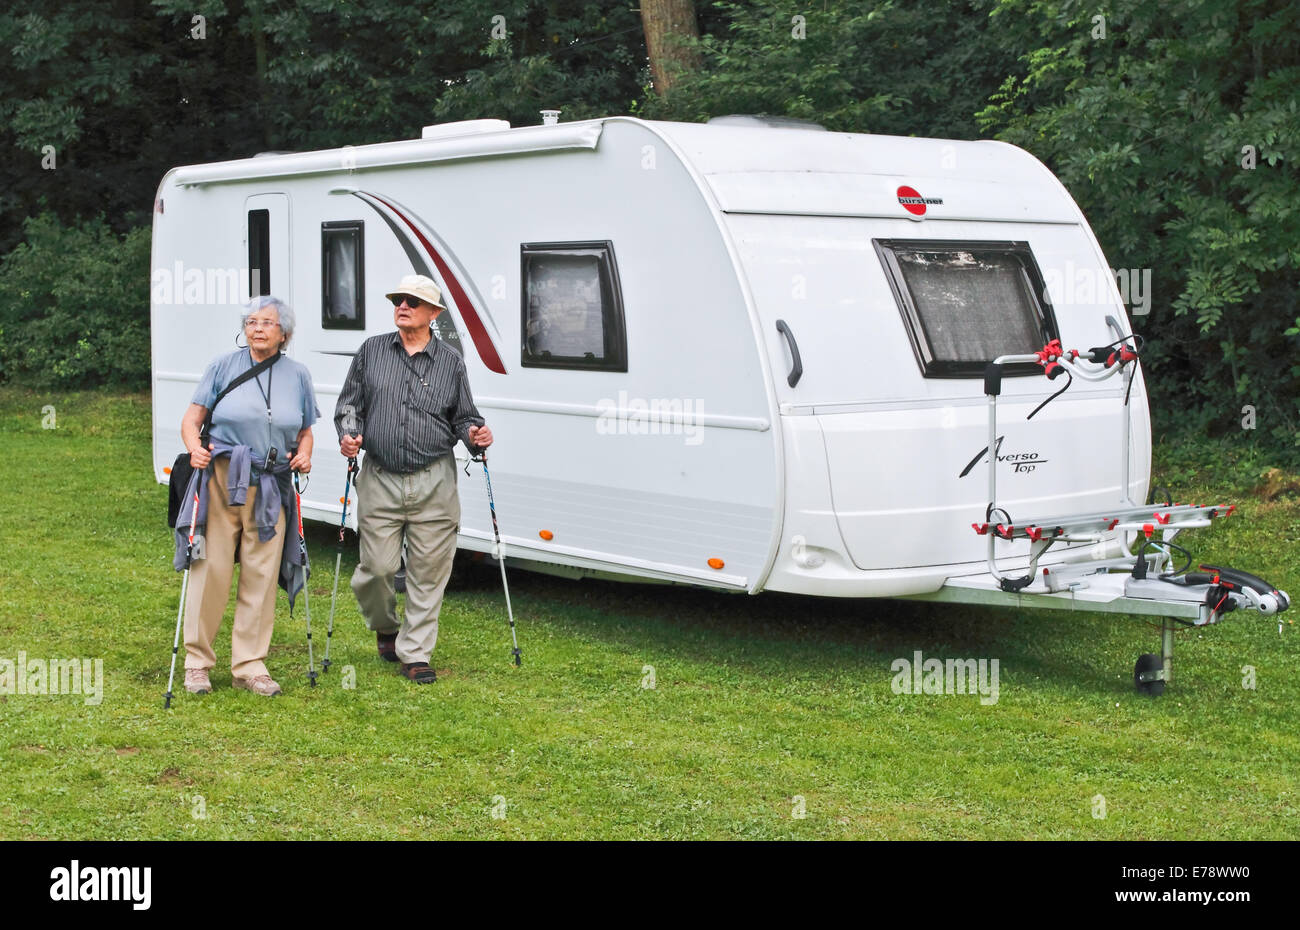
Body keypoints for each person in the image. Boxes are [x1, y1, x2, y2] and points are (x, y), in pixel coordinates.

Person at [334, 274, 493, 685]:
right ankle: (385, 625)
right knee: (376, 568)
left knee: (429, 571)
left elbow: (464, 417)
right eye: (399, 299)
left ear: (433, 314)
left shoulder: (451, 362)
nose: (403, 305)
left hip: (434, 479)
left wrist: (477, 436)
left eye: (413, 302)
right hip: (380, 475)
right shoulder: (371, 351)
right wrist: (349, 434)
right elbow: (350, 404)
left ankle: (415, 652)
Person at [176, 296, 320, 696]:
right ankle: (197, 663)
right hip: (222, 478)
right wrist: (194, 447)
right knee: (211, 569)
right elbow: (192, 420)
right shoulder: (222, 366)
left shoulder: (299, 375)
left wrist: (305, 452)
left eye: (267, 323)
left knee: (261, 573)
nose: (257, 328)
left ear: (284, 333)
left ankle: (250, 665)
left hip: (272, 483)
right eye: (252, 321)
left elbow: (305, 428)